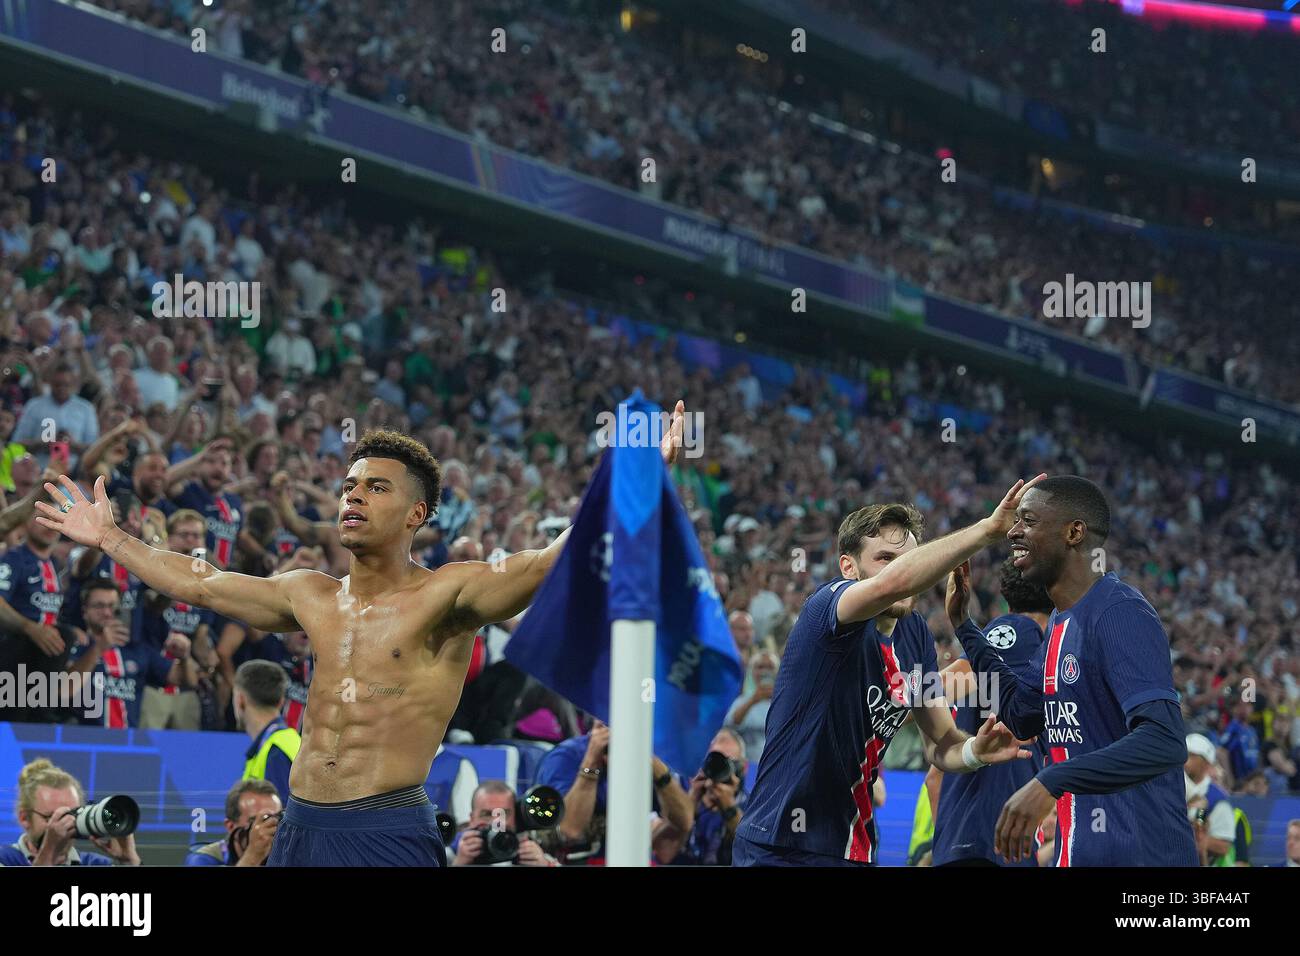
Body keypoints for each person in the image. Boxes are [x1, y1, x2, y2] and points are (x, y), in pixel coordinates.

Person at [36, 408, 685, 866]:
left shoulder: (448, 595)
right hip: (298, 825)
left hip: (385, 828)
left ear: (416, 515)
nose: (353, 497)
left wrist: (637, 482)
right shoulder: (309, 593)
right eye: (349, 486)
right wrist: (110, 537)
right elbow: (201, 584)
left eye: (376, 488)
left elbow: (550, 562)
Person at [734, 478, 1043, 867]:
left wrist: (974, 751)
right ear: (849, 566)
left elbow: (940, 741)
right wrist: (987, 530)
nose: (904, 572)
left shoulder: (915, 636)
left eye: (910, 558)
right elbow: (891, 585)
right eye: (885, 557)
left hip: (855, 848)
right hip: (781, 844)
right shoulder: (828, 609)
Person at [952, 475, 1198, 866]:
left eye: (1028, 520)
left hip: (1142, 856)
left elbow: (1164, 740)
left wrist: (1052, 779)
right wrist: (965, 628)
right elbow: (1021, 715)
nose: (1013, 531)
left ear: (1074, 532)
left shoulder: (1120, 612)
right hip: (1079, 852)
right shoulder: (1059, 628)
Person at [931, 558, 1054, 866]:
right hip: (996, 848)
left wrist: (949, 841)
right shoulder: (1021, 632)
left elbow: (934, 778)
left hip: (966, 846)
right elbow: (937, 690)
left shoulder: (1033, 656)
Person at [0, 758, 140, 866]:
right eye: (52, 817)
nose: (64, 824)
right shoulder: (6, 859)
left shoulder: (94, 864)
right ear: (24, 818)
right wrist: (49, 854)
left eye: (73, 814)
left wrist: (130, 860)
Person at [234, 659, 301, 805]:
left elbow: (279, 821)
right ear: (281, 701)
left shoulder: (276, 752)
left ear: (240, 700)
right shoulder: (287, 741)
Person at [449, 781, 558, 867]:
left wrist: (545, 864)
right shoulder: (449, 854)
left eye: (504, 813)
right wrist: (459, 863)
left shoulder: (530, 853)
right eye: (487, 814)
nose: (496, 822)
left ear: (516, 817)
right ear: (472, 819)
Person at [186, 779, 283, 866]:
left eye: (276, 818)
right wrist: (254, 855)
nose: (271, 828)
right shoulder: (204, 859)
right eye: (259, 820)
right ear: (230, 826)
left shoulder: (285, 856)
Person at [1184, 733, 1236, 866]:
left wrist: (1200, 839)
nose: (1185, 759)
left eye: (1192, 755)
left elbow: (1224, 846)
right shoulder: (1172, 789)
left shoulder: (1216, 798)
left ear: (1206, 763)